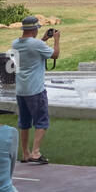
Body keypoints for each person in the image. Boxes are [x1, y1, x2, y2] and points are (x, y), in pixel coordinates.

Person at [12, 16, 59, 164]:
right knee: (41, 121)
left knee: (24, 122)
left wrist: (43, 40)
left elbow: (32, 49)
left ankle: (25, 153)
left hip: (21, 89)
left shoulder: (16, 43)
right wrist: (56, 39)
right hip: (36, 89)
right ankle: (36, 152)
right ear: (33, 30)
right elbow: (55, 54)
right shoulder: (36, 44)